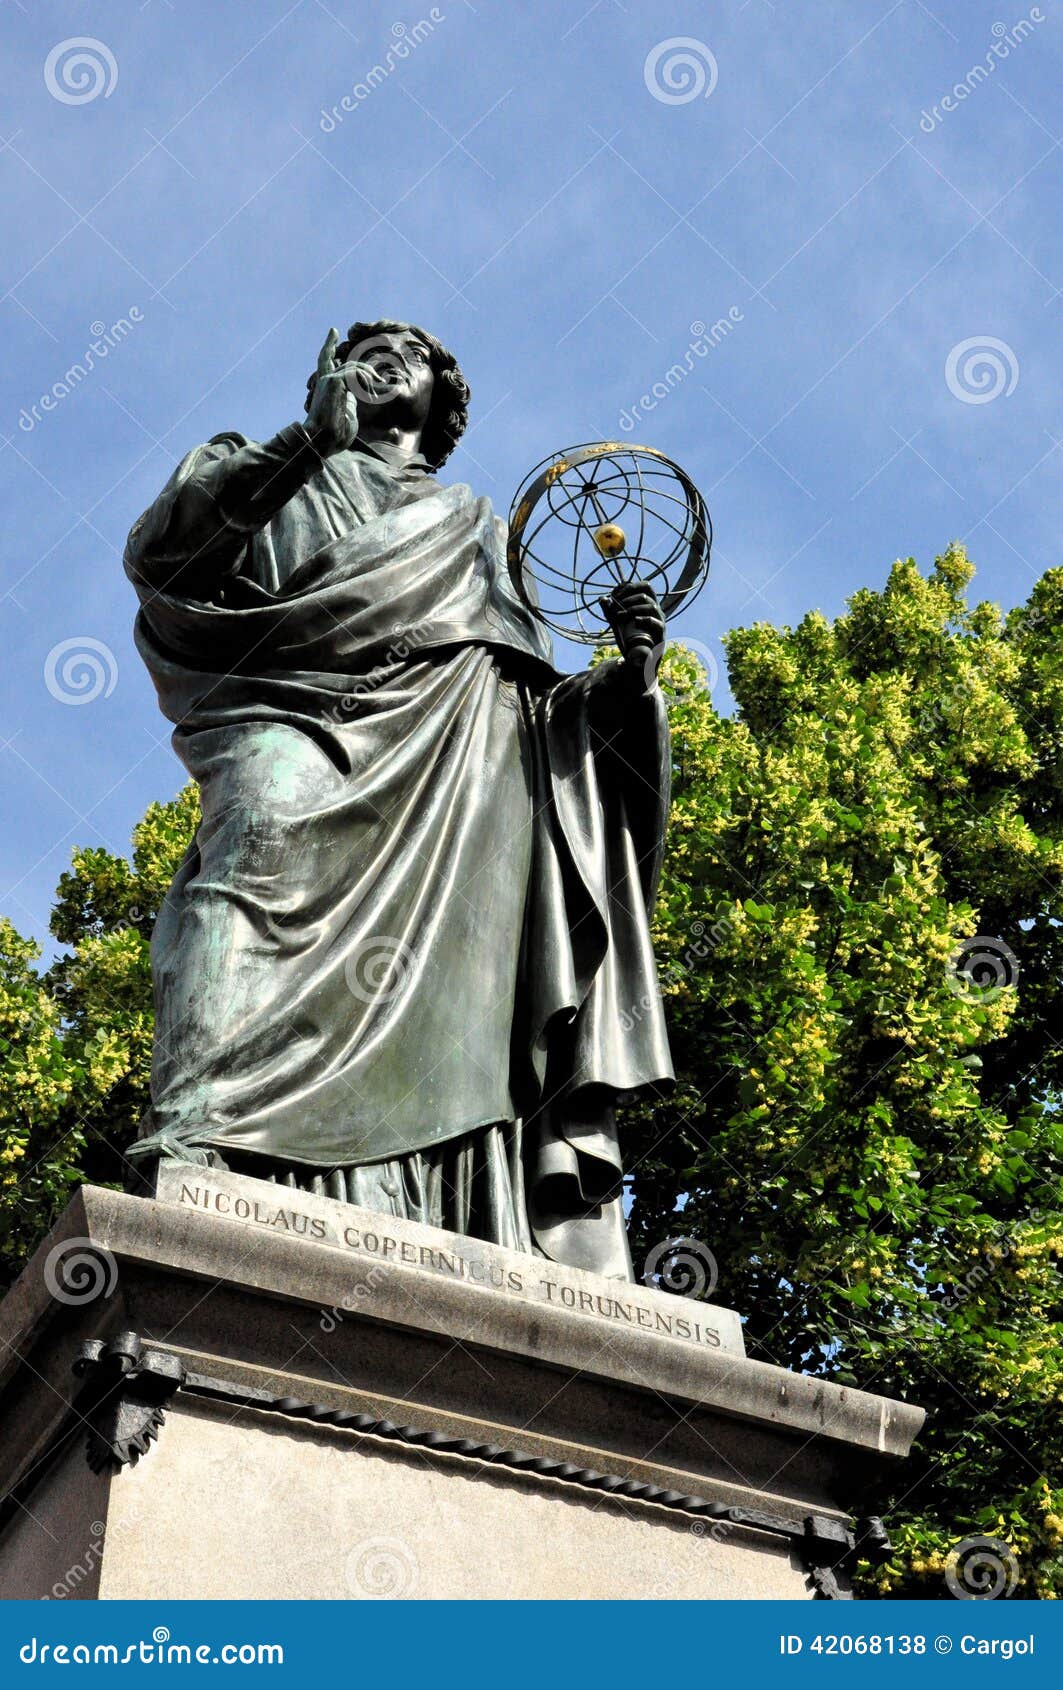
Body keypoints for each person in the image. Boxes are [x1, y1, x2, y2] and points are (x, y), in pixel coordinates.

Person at [124, 319, 673, 1279]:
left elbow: (534, 698)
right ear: (325, 378)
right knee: (251, 855)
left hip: (463, 768)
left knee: (469, 984)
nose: (387, 358)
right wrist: (304, 444)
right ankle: (199, 1133)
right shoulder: (260, 469)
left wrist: (628, 687)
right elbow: (166, 562)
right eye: (365, 348)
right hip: (304, 714)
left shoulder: (475, 527)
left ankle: (453, 1210)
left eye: (410, 353)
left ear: (442, 400)